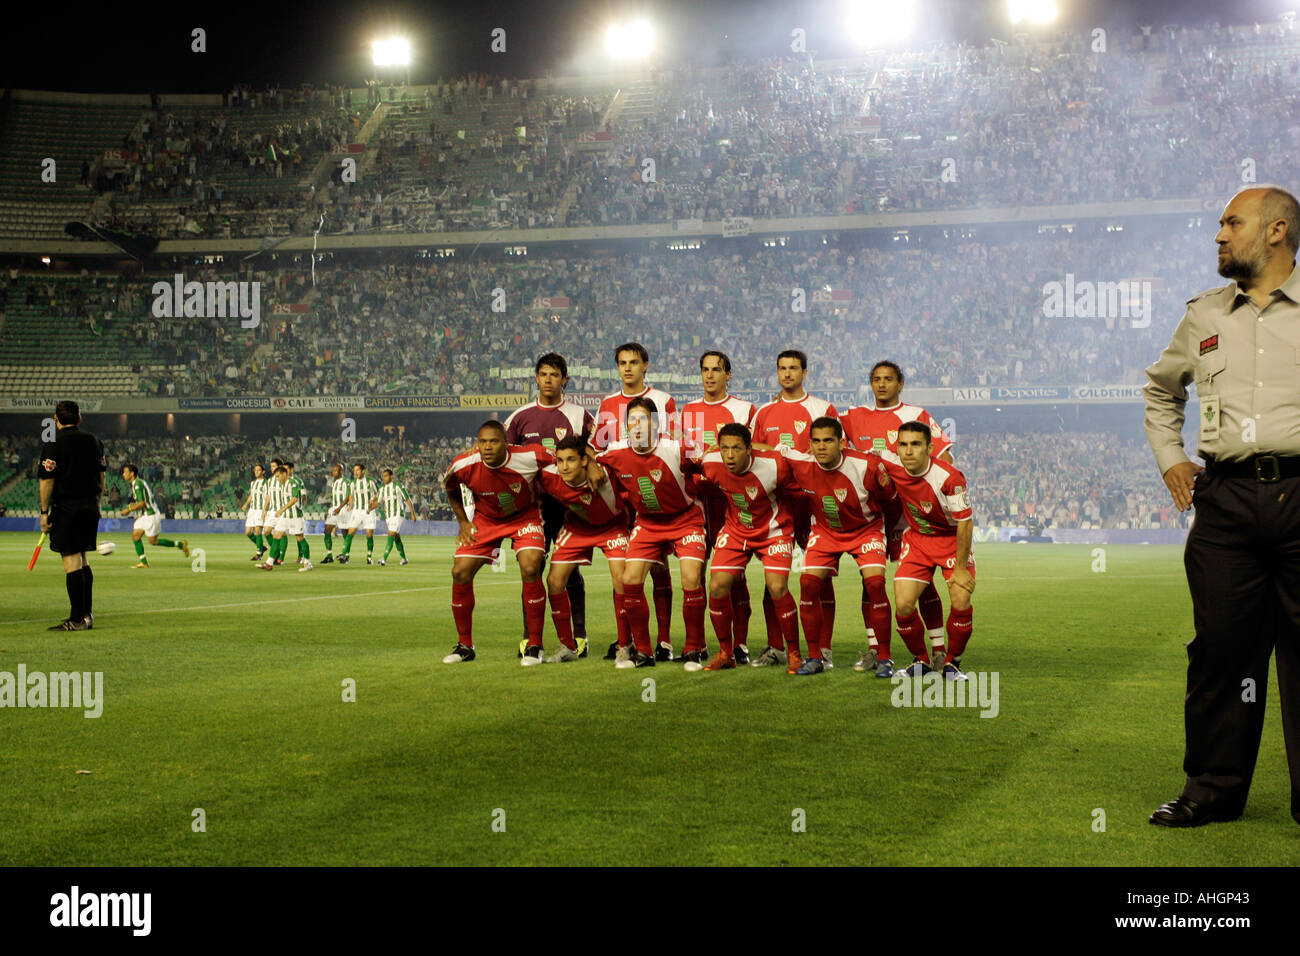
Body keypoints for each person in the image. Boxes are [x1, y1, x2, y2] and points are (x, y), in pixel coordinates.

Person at [1143, 184, 1300, 828]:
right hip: (1225, 500)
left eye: (1231, 223)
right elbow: (1159, 390)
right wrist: (1172, 457)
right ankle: (1212, 789)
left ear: (1276, 232)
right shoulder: (1204, 314)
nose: (1218, 234)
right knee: (1220, 652)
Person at [840, 360, 955, 672]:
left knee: (924, 584)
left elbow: (945, 457)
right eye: (876, 379)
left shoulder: (915, 416)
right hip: (873, 515)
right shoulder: (854, 417)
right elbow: (822, 435)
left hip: (909, 517)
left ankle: (939, 650)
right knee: (871, 582)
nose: (881, 385)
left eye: (888, 379)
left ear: (900, 384)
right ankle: (876, 650)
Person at [774, 418, 896, 676]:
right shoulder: (799, 462)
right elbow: (765, 451)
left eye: (828, 440)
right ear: (809, 444)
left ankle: (885, 657)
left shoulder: (867, 466)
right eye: (816, 441)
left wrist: (893, 537)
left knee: (875, 584)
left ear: (842, 442)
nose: (821, 446)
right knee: (808, 584)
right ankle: (815, 656)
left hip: (867, 530)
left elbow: (891, 499)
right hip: (826, 530)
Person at [595, 398, 709, 669]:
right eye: (631, 421)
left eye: (642, 420)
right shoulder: (615, 451)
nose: (636, 426)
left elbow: (708, 464)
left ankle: (694, 649)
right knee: (629, 580)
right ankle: (644, 653)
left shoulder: (677, 448)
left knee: (692, 578)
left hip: (686, 519)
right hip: (647, 523)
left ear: (656, 424)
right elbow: (591, 457)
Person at [751, 350, 839, 667]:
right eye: (782, 368)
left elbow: (833, 451)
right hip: (778, 503)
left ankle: (823, 649)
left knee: (820, 578)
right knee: (774, 579)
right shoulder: (764, 412)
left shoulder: (821, 408)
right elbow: (755, 453)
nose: (787, 374)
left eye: (793, 368)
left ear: (805, 372)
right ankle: (776, 646)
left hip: (813, 502)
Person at [504, 352, 596, 654]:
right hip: (535, 507)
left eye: (554, 375)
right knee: (532, 568)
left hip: (569, 505)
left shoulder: (580, 417)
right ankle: (531, 635)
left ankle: (579, 636)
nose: (548, 380)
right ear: (536, 378)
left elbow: (595, 456)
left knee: (569, 569)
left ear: (564, 379)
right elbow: (506, 463)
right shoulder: (519, 417)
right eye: (543, 374)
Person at [592, 342, 678, 660]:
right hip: (620, 497)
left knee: (657, 567)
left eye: (634, 362)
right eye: (622, 363)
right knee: (625, 575)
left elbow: (669, 445)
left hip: (651, 495)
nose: (627, 368)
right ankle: (625, 640)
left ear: (645, 366)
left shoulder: (663, 401)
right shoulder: (607, 403)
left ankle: (665, 641)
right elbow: (600, 452)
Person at [442, 421, 553, 663]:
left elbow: (563, 459)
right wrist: (463, 521)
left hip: (525, 517)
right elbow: (449, 485)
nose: (487, 447)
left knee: (531, 566)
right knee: (459, 572)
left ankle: (535, 645)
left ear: (506, 443)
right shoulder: (464, 464)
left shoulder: (529, 455)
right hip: (487, 520)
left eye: (493, 441)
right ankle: (465, 645)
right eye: (482, 442)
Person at [695, 423, 802, 672]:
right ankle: (726, 653)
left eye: (736, 449)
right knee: (717, 585)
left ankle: (794, 653)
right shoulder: (711, 463)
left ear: (749, 449)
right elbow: (692, 466)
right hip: (736, 530)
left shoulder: (775, 465)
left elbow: (800, 482)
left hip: (774, 531)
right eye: (725, 449)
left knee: (777, 586)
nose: (730, 455)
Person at [878, 422, 975, 680]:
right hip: (919, 540)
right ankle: (921, 661)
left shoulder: (950, 478)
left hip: (950, 539)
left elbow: (965, 521)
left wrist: (962, 568)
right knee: (904, 605)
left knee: (961, 599)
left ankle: (952, 663)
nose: (908, 451)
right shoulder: (890, 462)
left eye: (916, 445)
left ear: (930, 448)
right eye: (903, 444)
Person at [680, 350, 759, 664]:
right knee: (695, 574)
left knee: (733, 576)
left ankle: (739, 645)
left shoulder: (743, 409)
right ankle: (696, 644)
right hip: (698, 503)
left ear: (729, 375)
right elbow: (686, 456)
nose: (709, 375)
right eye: (705, 369)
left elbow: (752, 454)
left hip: (731, 502)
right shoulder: (688, 411)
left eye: (716, 369)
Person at [536, 435, 627, 663]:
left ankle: (626, 644)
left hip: (613, 526)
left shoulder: (606, 474)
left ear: (584, 460)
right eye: (560, 460)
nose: (564, 467)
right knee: (554, 581)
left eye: (571, 460)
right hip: (578, 526)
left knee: (621, 580)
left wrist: (596, 461)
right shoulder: (549, 477)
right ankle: (567, 646)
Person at [37, 400, 105, 630]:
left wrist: (44, 512)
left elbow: (47, 481)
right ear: (79, 418)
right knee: (83, 559)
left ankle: (77, 619)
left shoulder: (53, 443)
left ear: (56, 419)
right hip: (90, 506)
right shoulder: (94, 441)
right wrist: (97, 502)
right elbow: (101, 477)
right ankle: (86, 615)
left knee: (71, 562)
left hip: (68, 507)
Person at [121, 464, 189, 567]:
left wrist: (129, 509)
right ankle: (144, 563)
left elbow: (142, 503)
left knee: (153, 541)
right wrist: (133, 505)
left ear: (132, 473)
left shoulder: (137, 484)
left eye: (125, 472)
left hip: (151, 515)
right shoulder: (137, 483)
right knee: (135, 536)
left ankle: (180, 544)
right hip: (145, 515)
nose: (123, 474)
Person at [369, 467, 416, 565]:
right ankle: (404, 558)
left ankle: (384, 559)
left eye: (386, 476)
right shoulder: (382, 489)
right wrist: (369, 509)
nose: (384, 478)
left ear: (391, 476)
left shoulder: (398, 486)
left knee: (390, 534)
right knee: (396, 537)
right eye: (383, 477)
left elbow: (407, 499)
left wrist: (412, 513)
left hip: (398, 515)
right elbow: (378, 502)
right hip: (389, 516)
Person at [340, 463, 379, 564]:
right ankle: (345, 556)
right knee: (350, 532)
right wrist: (350, 505)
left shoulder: (371, 482)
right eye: (354, 470)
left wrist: (373, 500)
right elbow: (351, 495)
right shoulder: (352, 483)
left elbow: (378, 493)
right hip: (357, 511)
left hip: (368, 511)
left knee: (369, 534)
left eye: (357, 470)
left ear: (363, 471)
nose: (355, 472)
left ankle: (369, 557)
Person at [237, 463, 269, 561]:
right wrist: (246, 504)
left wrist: (265, 509)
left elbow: (268, 497)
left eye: (258, 470)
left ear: (263, 472)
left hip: (260, 509)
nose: (256, 472)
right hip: (252, 510)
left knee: (258, 531)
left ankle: (258, 554)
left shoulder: (266, 483)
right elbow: (251, 495)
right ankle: (262, 547)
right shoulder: (253, 483)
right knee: (248, 532)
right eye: (255, 470)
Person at [322, 463, 352, 564]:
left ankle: (346, 556)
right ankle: (329, 555)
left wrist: (339, 508)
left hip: (343, 509)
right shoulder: (334, 483)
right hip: (334, 509)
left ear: (341, 471)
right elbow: (334, 497)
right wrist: (332, 506)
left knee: (345, 532)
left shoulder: (346, 482)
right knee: (327, 530)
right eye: (333, 470)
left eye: (336, 470)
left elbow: (348, 496)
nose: (333, 472)